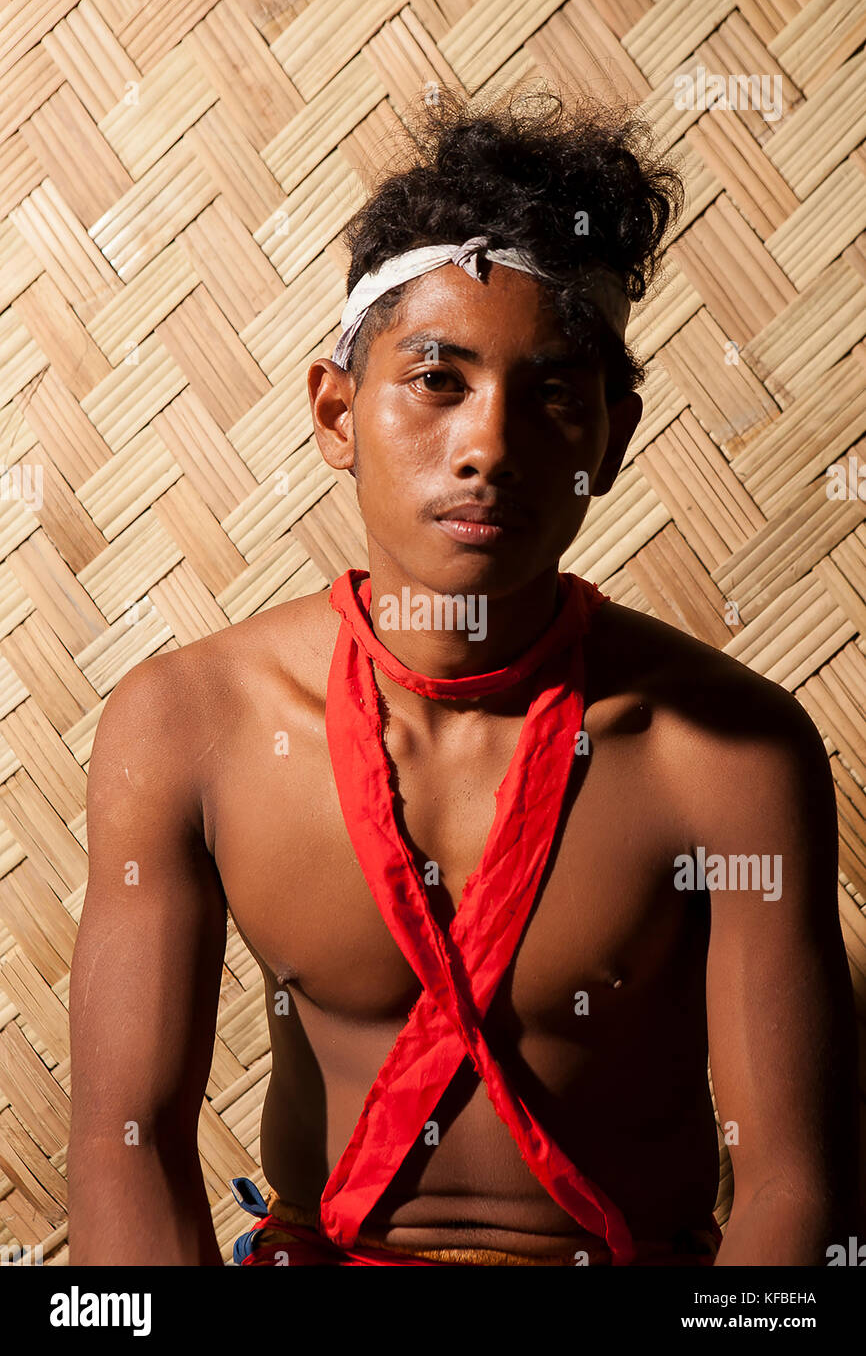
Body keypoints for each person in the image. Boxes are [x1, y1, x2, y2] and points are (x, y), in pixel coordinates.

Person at [68, 82, 858, 1266]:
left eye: (553, 395)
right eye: (436, 380)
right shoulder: (189, 724)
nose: (488, 444)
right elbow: (127, 1146)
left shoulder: (728, 752)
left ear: (613, 436)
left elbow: (795, 1193)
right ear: (336, 412)